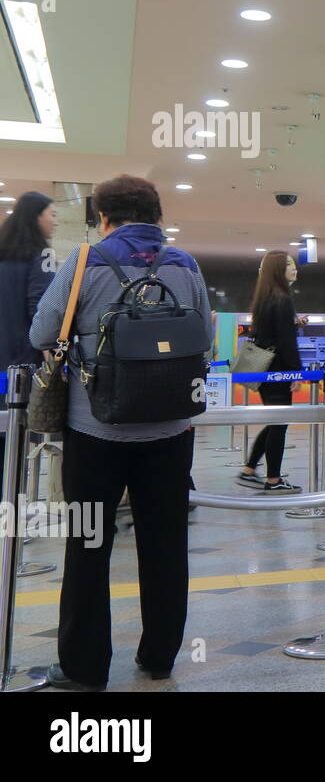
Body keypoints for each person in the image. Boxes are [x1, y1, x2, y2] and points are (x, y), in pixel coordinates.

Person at [30, 174, 212, 690]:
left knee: (88, 546)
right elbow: (203, 333)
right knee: (165, 543)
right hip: (172, 431)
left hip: (96, 430)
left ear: (102, 218)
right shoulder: (186, 266)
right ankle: (159, 657)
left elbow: (43, 333)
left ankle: (84, 668)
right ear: (155, 217)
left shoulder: (86, 260)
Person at [237, 251, 304, 493]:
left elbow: (272, 333)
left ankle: (250, 468)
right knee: (279, 423)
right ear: (277, 269)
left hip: (265, 369)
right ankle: (273, 479)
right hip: (278, 370)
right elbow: (286, 341)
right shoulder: (282, 298)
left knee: (275, 421)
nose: (294, 268)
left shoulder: (266, 297)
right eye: (288, 264)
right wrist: (296, 372)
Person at [0, 191, 56, 470]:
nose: (54, 221)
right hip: (21, 368)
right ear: (36, 217)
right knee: (15, 446)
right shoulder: (41, 255)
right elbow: (41, 309)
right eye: (51, 214)